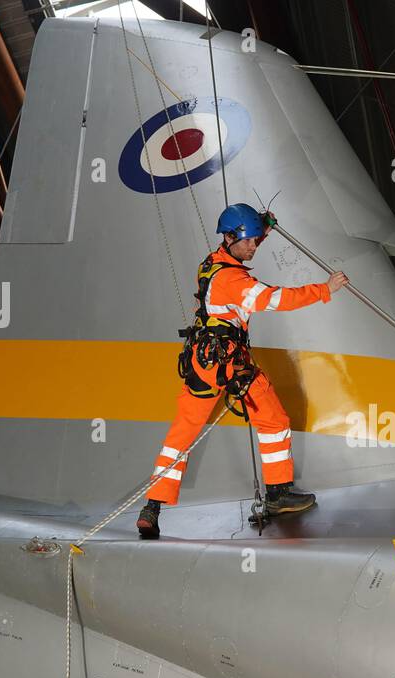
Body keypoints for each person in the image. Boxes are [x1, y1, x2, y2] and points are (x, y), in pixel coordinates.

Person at [137, 202, 348, 539]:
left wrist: (264, 226)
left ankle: (152, 507)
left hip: (202, 362)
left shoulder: (212, 263)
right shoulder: (234, 279)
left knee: (183, 432)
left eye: (255, 240)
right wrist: (325, 289)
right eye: (249, 241)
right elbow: (275, 299)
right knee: (273, 420)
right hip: (232, 365)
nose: (253, 247)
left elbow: (245, 241)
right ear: (230, 238)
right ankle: (277, 494)